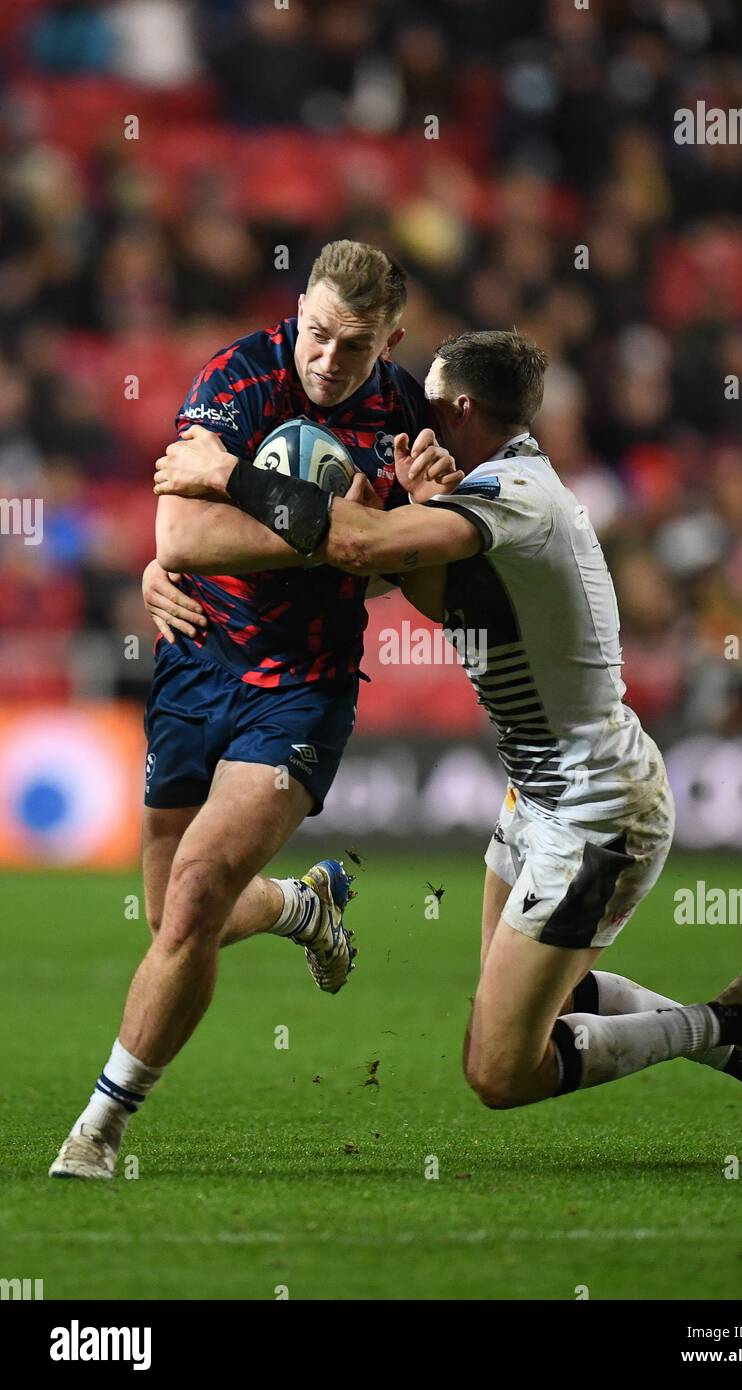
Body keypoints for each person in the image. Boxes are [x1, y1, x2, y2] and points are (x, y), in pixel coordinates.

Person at [154, 328, 742, 1164]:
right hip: (537, 794)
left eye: (429, 402)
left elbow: (357, 546)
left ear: (462, 408)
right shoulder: (482, 489)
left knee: (500, 1069)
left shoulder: (518, 495)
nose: (411, 412)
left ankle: (734, 1027)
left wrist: (225, 475)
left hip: (596, 807)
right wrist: (177, 564)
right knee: (548, 995)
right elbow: (398, 584)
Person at [48, 240, 458, 1181]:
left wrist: (379, 539)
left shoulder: (408, 422)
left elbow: (414, 574)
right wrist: (337, 537)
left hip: (304, 686)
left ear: (390, 340)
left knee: (193, 894)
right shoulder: (240, 373)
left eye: (353, 346)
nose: (326, 360)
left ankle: (100, 1128)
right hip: (196, 655)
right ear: (297, 312)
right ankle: (299, 907)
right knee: (169, 919)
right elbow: (179, 536)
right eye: (316, 333)